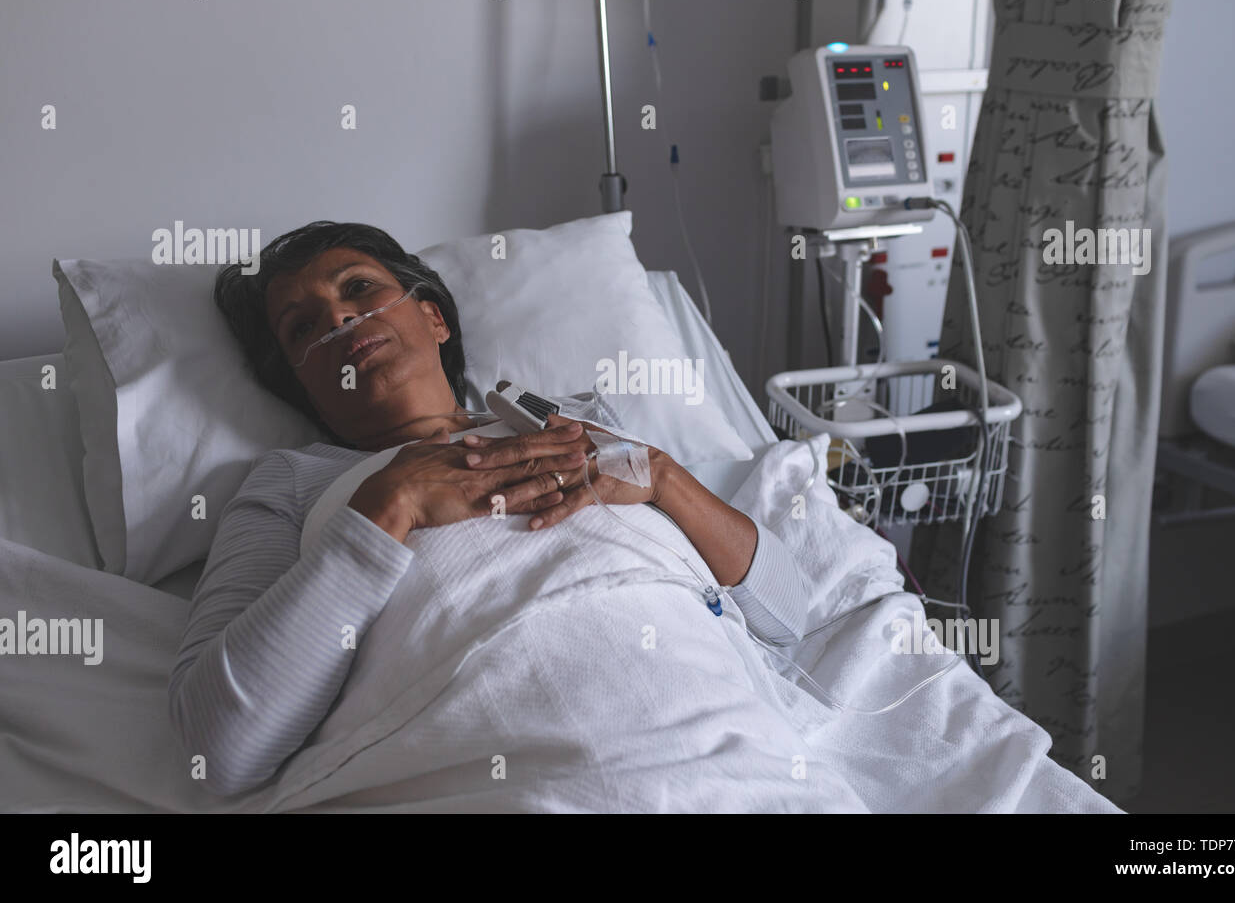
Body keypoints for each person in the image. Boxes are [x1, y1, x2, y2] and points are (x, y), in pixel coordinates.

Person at [168, 221, 812, 797]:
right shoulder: (292, 483)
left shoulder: (574, 422)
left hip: (737, 763)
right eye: (302, 327)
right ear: (301, 383)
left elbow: (789, 614)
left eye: (358, 288)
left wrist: (665, 478)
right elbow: (217, 749)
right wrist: (389, 506)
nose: (338, 320)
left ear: (434, 319)